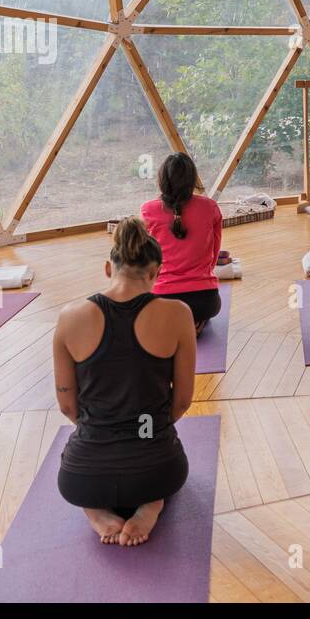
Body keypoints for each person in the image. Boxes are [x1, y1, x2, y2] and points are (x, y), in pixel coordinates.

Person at [54, 216, 196, 546]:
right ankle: (152, 502)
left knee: (81, 473)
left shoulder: (69, 317)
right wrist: (153, 426)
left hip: (82, 477)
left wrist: (102, 426)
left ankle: (95, 509)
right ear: (156, 272)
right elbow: (183, 400)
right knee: (158, 477)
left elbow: (66, 404)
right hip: (159, 470)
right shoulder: (178, 314)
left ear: (108, 268)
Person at [141, 153, 223, 333]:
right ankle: (193, 321)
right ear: (192, 179)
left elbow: (145, 258)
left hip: (162, 299)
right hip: (206, 301)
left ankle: (174, 324)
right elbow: (214, 254)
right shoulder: (210, 207)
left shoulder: (148, 209)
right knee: (196, 309)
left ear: (162, 180)